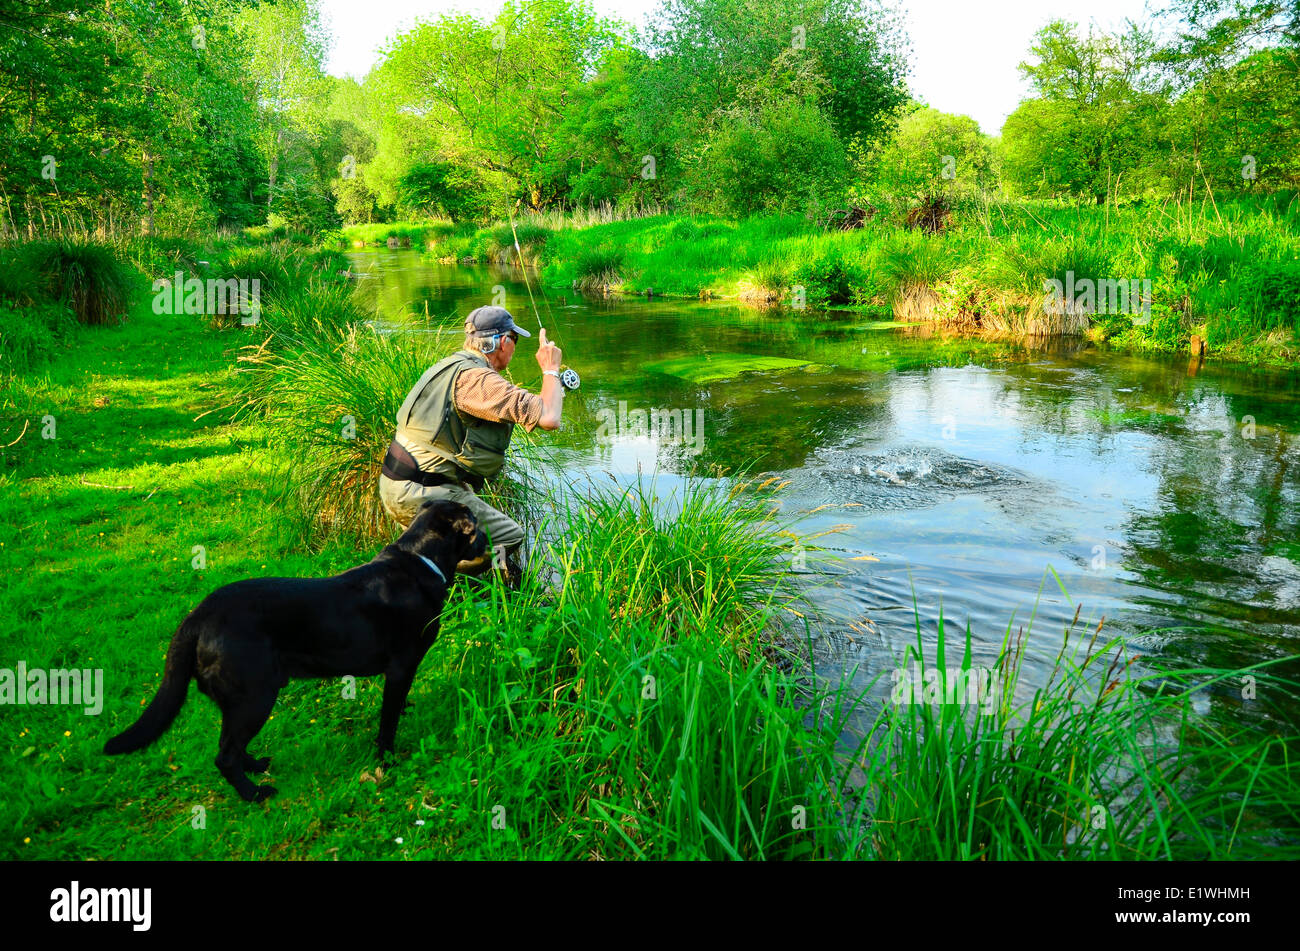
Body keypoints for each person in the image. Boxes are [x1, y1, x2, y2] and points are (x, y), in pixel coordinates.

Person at [378, 305, 564, 584]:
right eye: (515, 339)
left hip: (399, 482)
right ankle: (430, 574)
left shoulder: (452, 366)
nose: (515, 347)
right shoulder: (477, 380)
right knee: (509, 535)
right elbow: (549, 418)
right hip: (419, 490)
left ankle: (500, 580)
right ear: (502, 342)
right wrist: (551, 371)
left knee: (477, 515)